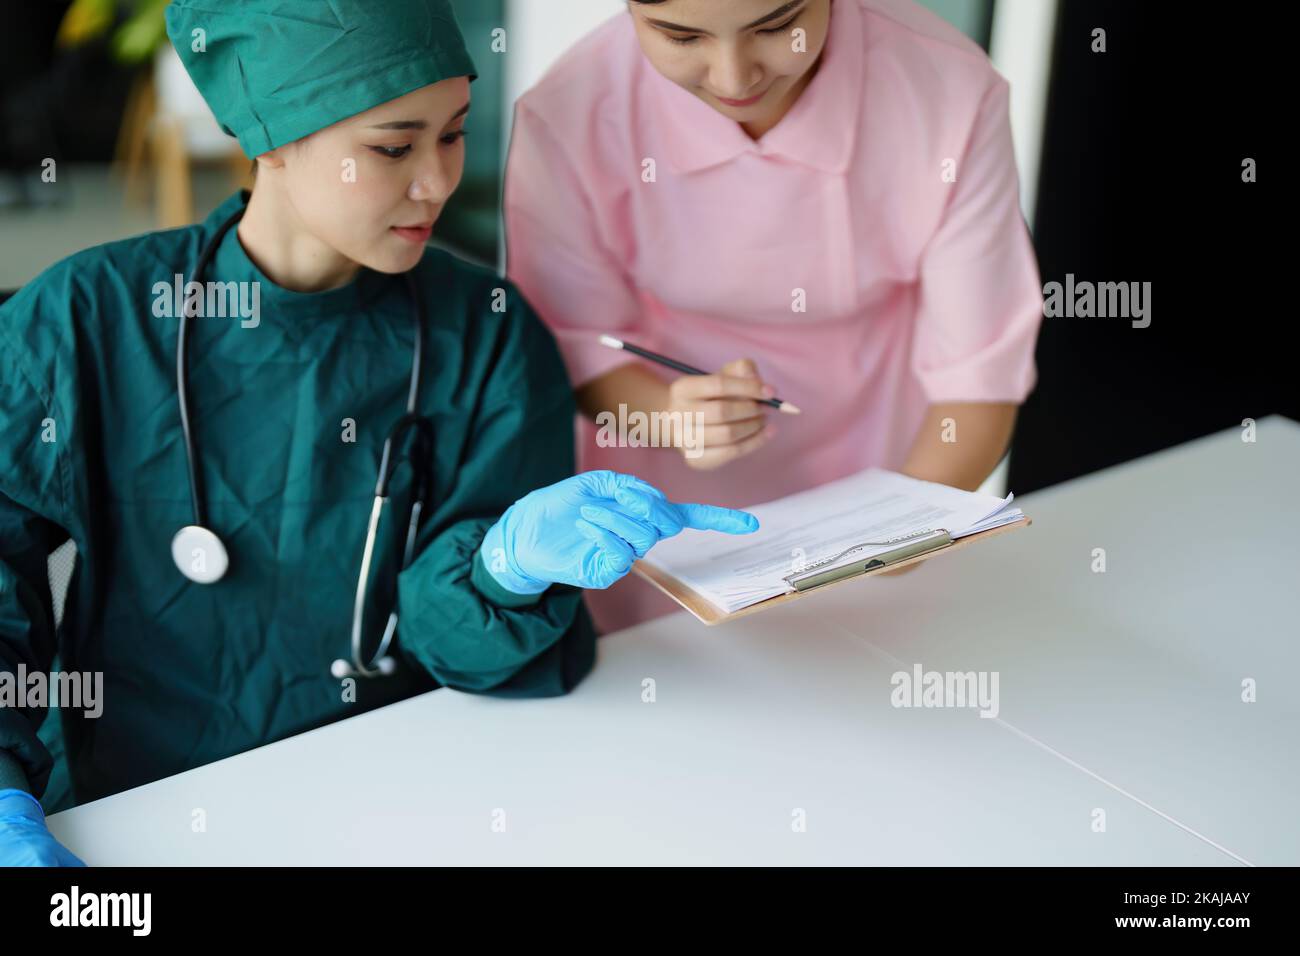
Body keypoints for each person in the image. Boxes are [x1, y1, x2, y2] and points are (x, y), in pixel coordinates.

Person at [0, 0, 757, 866]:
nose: (437, 181)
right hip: (136, 807)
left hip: (406, 805)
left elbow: (464, 649)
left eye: (454, 134)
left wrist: (503, 576)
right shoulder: (88, 319)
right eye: (394, 147)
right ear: (271, 135)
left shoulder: (489, 334)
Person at [504, 0, 1045, 634]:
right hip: (665, 501)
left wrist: (896, 535)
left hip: (893, 465)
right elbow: (575, 346)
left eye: (775, 26)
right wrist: (669, 419)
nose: (735, 79)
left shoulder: (947, 88)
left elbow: (978, 380)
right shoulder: (570, 113)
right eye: (680, 35)